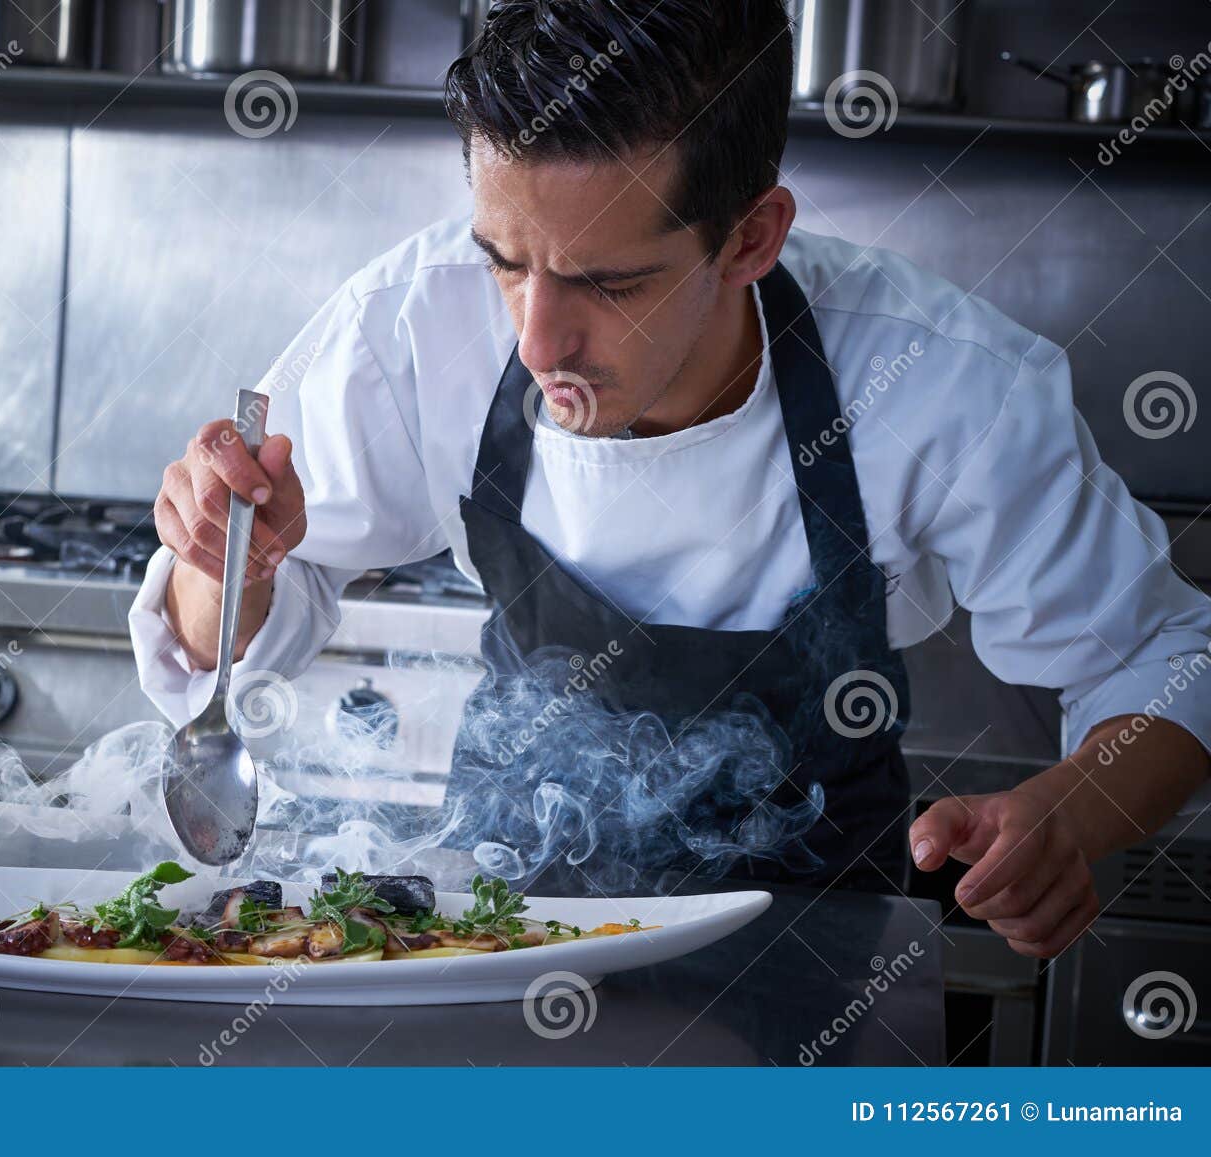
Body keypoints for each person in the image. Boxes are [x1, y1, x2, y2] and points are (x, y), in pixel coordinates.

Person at [131, 0, 1211, 957]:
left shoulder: (938, 381)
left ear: (750, 238)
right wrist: (226, 558)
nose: (537, 339)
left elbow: (1167, 657)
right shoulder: (409, 326)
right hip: (499, 941)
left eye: (608, 283)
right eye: (506, 261)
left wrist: (1072, 810)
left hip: (813, 961)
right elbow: (230, 630)